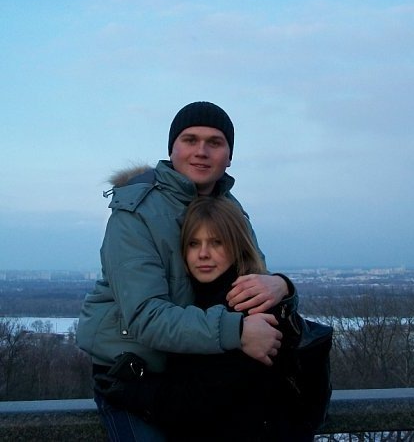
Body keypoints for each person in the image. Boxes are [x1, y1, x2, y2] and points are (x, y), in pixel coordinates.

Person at [76, 101, 297, 441]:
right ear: (172, 149)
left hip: (202, 372)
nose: (201, 152)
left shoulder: (230, 209)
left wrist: (282, 287)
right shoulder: (135, 212)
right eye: (190, 140)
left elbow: (255, 283)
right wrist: (238, 331)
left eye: (215, 142)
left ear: (229, 156)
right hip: (135, 376)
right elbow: (146, 317)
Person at [95, 196, 312, 441]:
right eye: (193, 243)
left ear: (237, 246)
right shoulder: (197, 300)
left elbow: (199, 401)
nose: (203, 254)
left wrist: (130, 391)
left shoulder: (248, 306)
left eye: (217, 243)